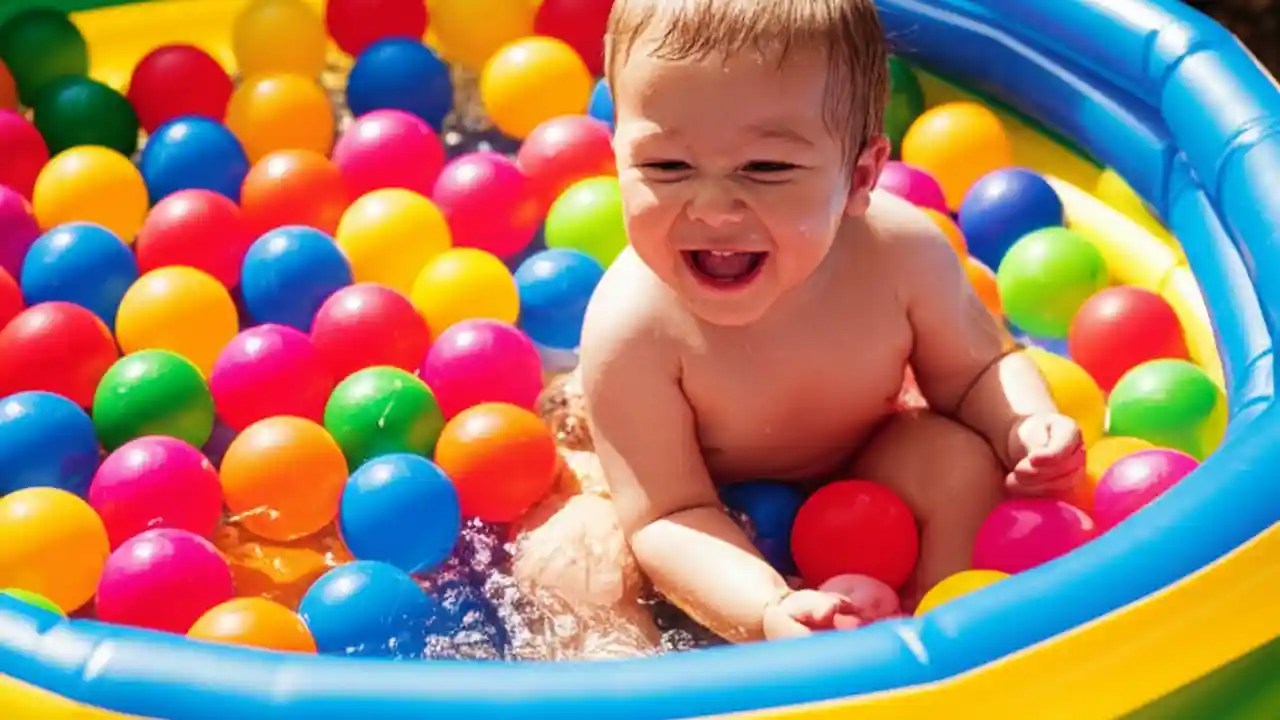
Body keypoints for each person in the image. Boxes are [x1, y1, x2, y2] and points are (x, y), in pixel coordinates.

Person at [512, 0, 1086, 652]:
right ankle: (653, 692)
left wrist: (1023, 425)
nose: (713, 207)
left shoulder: (900, 254)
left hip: (857, 454)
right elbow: (669, 514)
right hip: (676, 500)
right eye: (666, 167)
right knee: (572, 558)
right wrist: (767, 608)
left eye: (767, 168)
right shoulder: (633, 325)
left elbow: (978, 369)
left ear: (860, 177)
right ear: (615, 155)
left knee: (960, 462)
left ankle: (944, 633)